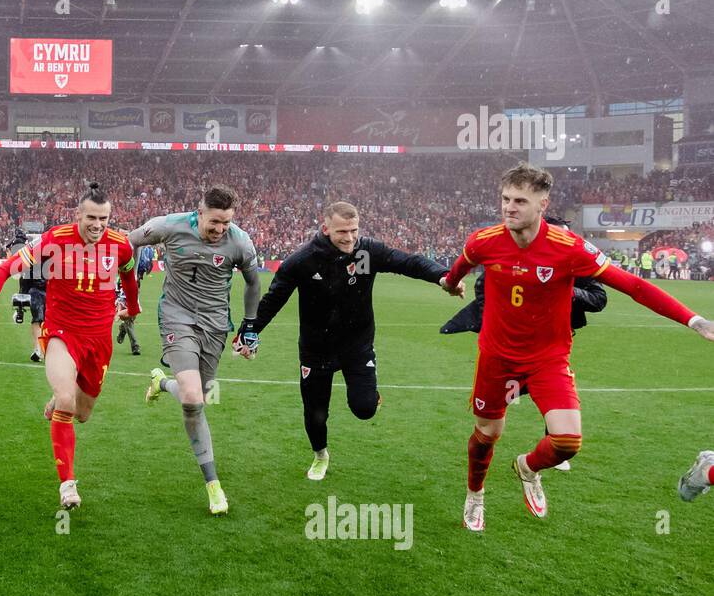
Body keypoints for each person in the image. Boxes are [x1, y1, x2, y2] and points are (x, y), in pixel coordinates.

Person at [441, 163, 714, 532]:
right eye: (505, 199)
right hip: (497, 357)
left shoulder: (567, 247)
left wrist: (693, 320)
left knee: (567, 442)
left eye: (520, 200)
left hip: (547, 359)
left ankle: (527, 467)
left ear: (542, 204)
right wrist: (451, 282)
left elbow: (633, 286)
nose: (509, 207)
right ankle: (475, 495)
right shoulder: (485, 240)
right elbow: (461, 265)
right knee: (487, 435)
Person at [240, 200, 462, 482]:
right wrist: (251, 331)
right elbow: (274, 300)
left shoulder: (366, 251)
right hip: (316, 349)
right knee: (316, 414)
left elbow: (407, 262)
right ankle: (321, 455)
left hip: (356, 346)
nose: (349, 238)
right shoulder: (302, 260)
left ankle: (370, 392)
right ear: (325, 228)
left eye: (354, 230)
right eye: (342, 231)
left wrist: (443, 277)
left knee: (364, 408)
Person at [0, 183, 140, 510]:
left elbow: (129, 278)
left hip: (100, 339)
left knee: (83, 413)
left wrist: (131, 308)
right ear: (78, 214)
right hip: (62, 332)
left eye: (103, 218)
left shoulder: (120, 246)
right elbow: (7, 268)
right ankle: (67, 485)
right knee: (66, 400)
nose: (97, 225)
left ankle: (59, 398)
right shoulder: (55, 239)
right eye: (91, 217)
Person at [129, 185, 260, 515]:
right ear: (199, 213)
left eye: (226, 224)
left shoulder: (240, 242)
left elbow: (253, 282)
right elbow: (130, 241)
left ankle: (161, 383)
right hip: (176, 317)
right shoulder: (169, 226)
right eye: (214, 222)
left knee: (199, 395)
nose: (219, 230)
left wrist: (250, 325)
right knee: (192, 399)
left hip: (215, 326)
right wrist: (127, 291)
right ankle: (213, 485)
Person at [441, 216, 607, 473]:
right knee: (504, 402)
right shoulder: (509, 257)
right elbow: (480, 284)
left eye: (565, 236)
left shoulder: (574, 260)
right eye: (555, 235)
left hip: (552, 344)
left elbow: (599, 298)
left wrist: (568, 291)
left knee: (556, 397)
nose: (560, 242)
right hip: (508, 346)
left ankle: (550, 448)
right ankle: (481, 473)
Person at [9, 230, 49, 362]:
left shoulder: (28, 259)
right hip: (45, 290)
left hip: (40, 290)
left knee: (38, 320)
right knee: (40, 320)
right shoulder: (47, 251)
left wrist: (19, 308)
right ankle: (40, 349)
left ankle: (40, 349)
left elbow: (24, 283)